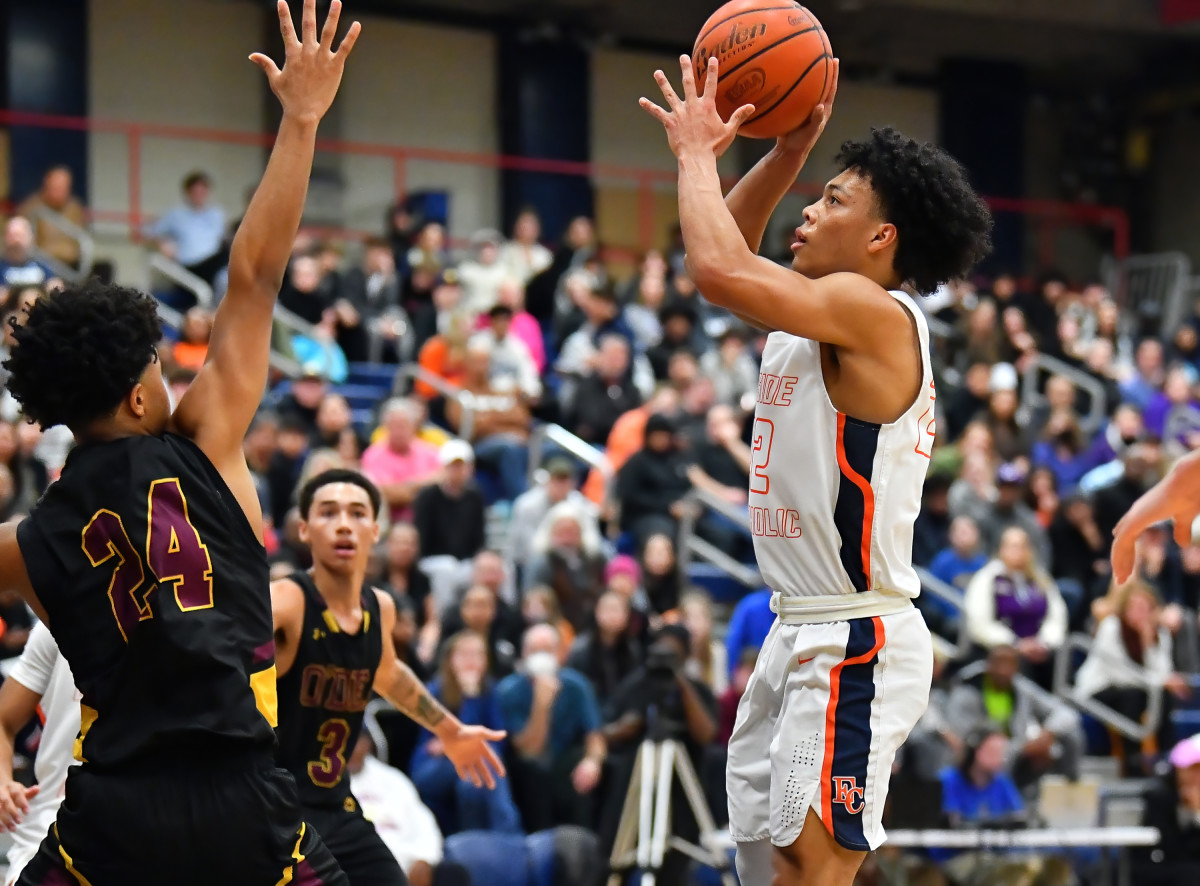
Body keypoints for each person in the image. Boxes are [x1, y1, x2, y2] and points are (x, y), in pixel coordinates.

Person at [0, 4, 362, 883]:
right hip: (244, 799)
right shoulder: (206, 441)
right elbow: (256, 269)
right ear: (135, 392)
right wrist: (303, 120)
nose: (172, 376)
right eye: (160, 365)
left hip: (116, 812)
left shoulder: (31, 542)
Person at [641, 54, 991, 885]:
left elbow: (718, 266)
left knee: (811, 868)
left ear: (882, 237)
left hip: (854, 634)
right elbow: (721, 254)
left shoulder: (871, 314)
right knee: (766, 872)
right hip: (797, 627)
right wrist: (787, 151)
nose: (808, 208)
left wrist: (695, 151)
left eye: (833, 199)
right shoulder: (818, 308)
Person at [272, 469, 506, 886]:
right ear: (304, 529)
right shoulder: (287, 601)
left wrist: (450, 730)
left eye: (357, 513)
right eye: (328, 513)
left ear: (375, 530)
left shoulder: (379, 609)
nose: (344, 523)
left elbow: (386, 672)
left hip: (334, 805)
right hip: (274, 810)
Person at [0, 623, 79, 886]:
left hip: (157, 828)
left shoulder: (193, 621)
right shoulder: (56, 623)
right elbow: (3, 720)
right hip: (53, 828)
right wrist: (2, 780)